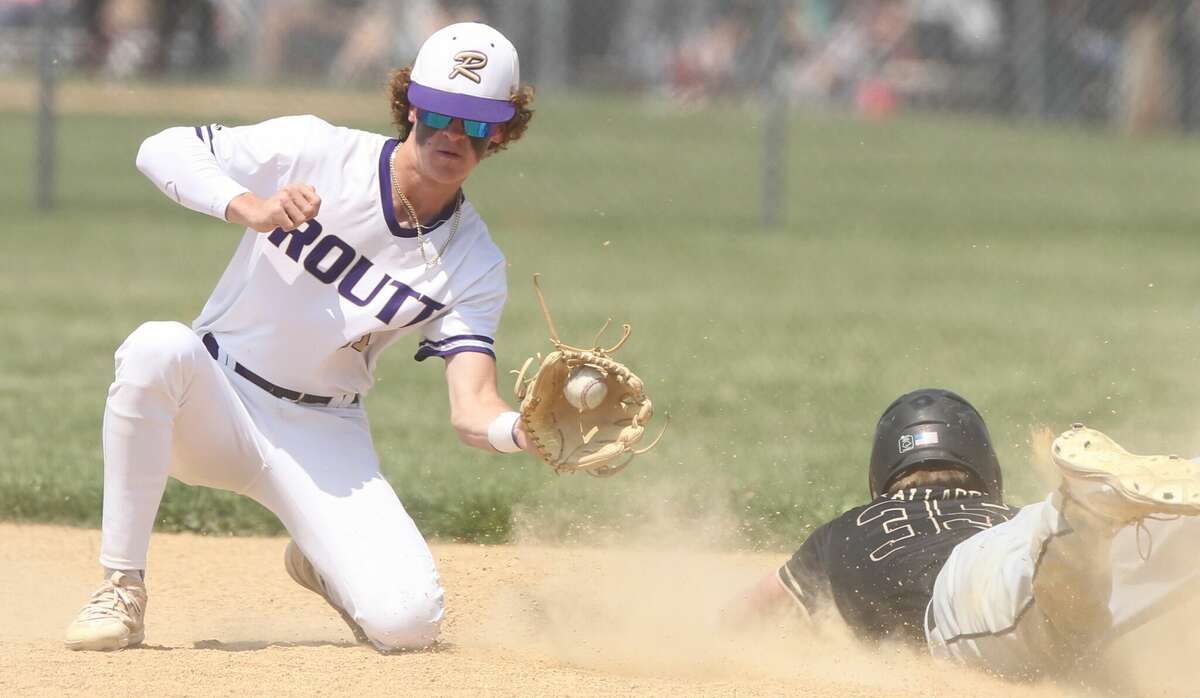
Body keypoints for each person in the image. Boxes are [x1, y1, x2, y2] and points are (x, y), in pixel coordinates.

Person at [64, 21, 536, 653]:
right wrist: (246, 206)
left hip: (322, 435)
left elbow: (472, 408)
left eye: (477, 121)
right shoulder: (317, 149)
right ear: (412, 106)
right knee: (156, 345)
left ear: (502, 131)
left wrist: (521, 432)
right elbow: (161, 148)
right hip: (214, 399)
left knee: (408, 625)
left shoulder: (475, 262)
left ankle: (321, 559)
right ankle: (122, 586)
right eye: (443, 113)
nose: (455, 134)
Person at [724, 388, 1200, 679]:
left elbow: (751, 610)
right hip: (1025, 530)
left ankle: (1086, 505)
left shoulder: (841, 532)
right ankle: (1101, 507)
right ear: (981, 463)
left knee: (1044, 602)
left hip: (961, 594)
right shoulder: (1000, 511)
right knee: (1138, 556)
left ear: (882, 471)